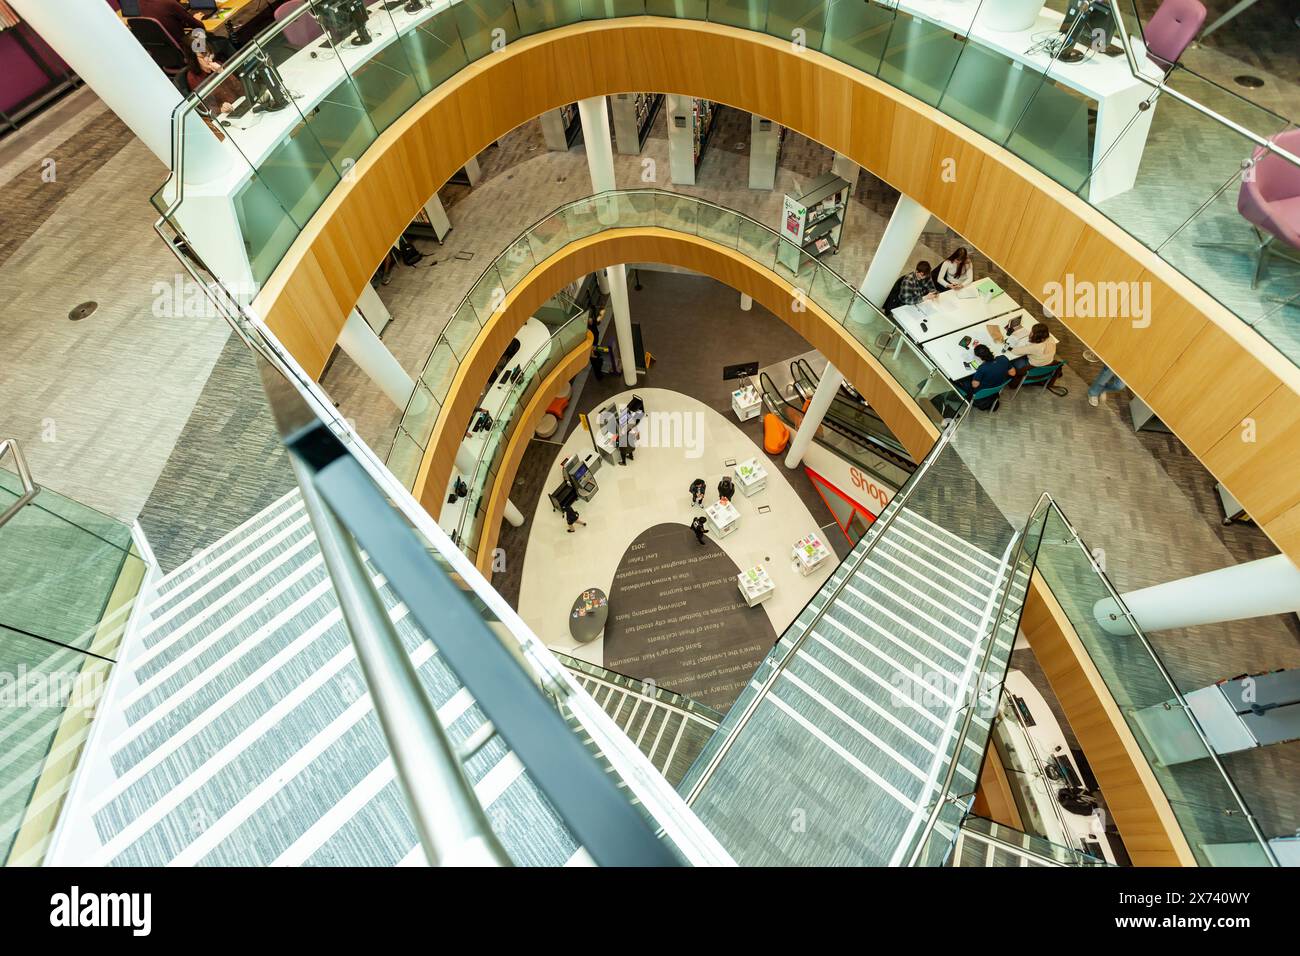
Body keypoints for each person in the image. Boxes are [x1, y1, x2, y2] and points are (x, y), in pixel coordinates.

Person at [183, 47, 243, 113]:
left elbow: (240, 88)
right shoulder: (193, 77)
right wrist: (220, 109)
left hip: (239, 104)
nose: (209, 59)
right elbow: (203, 105)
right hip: (222, 114)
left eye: (209, 55)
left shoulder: (218, 64)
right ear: (195, 59)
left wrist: (223, 72)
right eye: (203, 57)